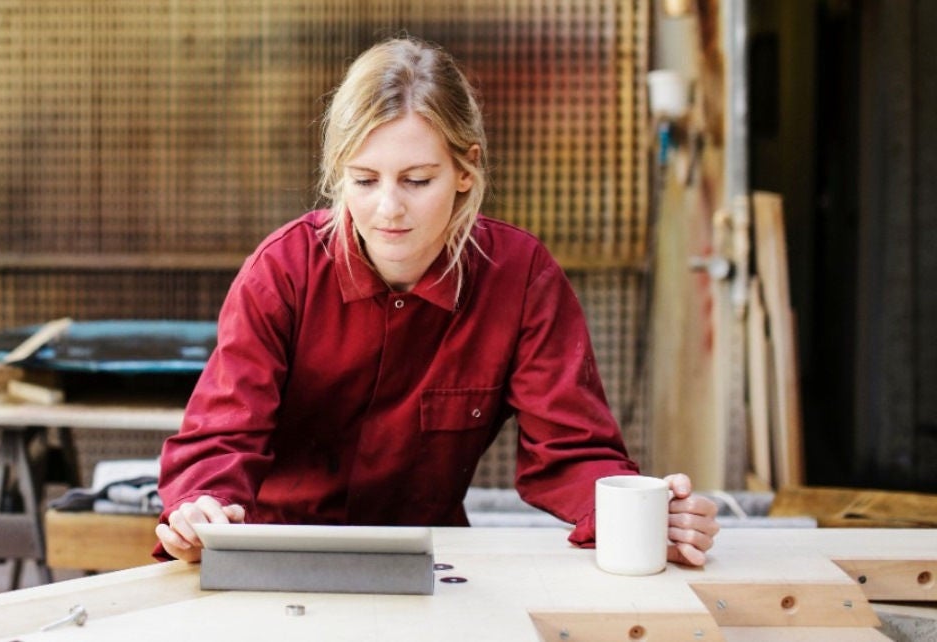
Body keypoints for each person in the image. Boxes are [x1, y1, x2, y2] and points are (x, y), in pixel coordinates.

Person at [154, 37, 719, 565]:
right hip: (279, 557)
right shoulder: (283, 271)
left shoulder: (519, 278)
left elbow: (571, 452)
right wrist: (199, 507)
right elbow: (221, 437)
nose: (387, 209)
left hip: (432, 565)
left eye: (417, 180)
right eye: (365, 180)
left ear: (465, 170)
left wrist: (642, 519)